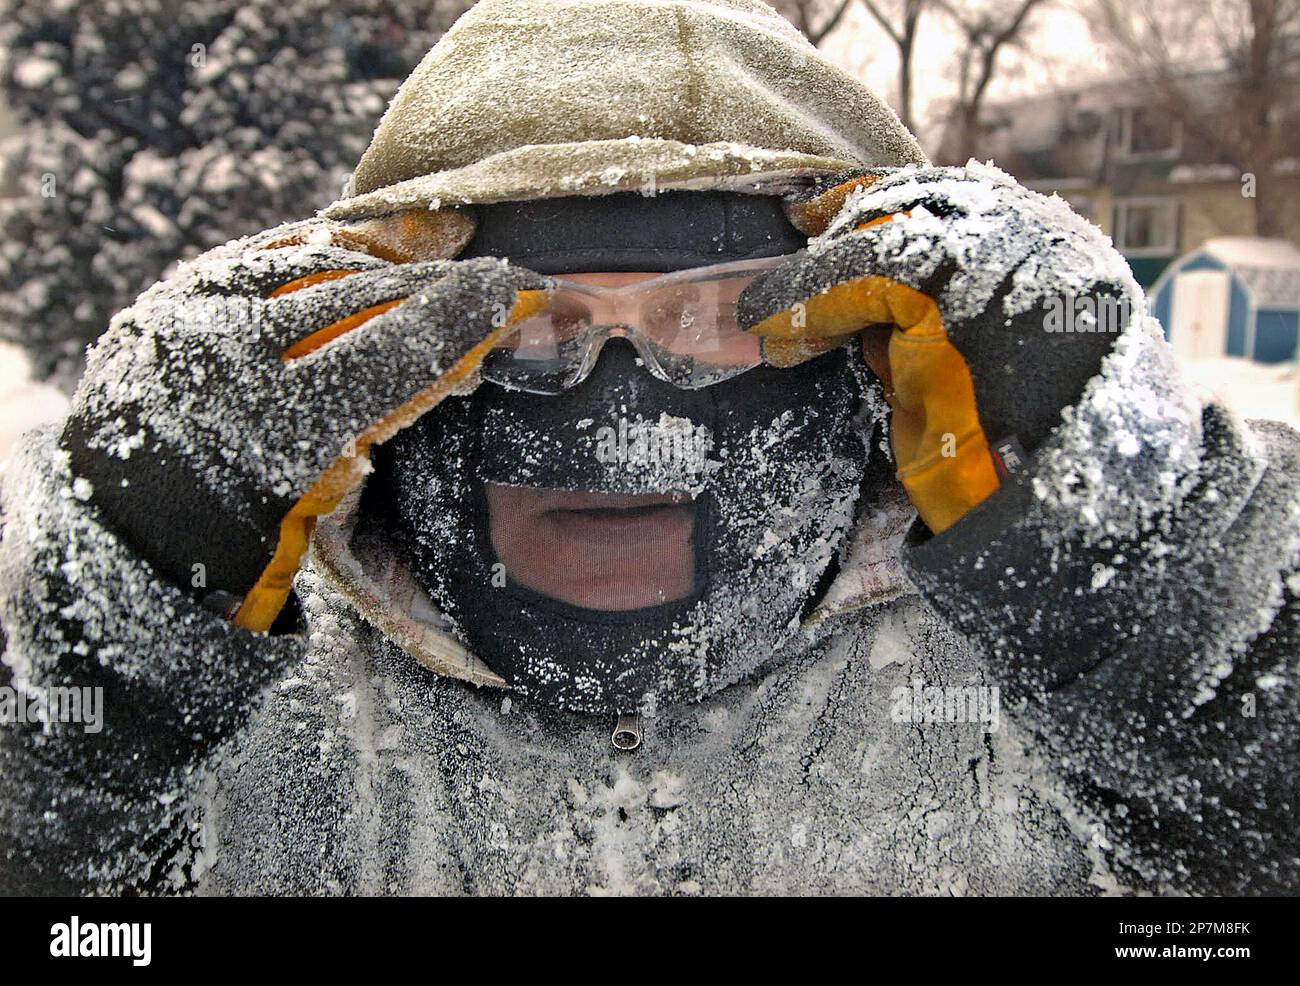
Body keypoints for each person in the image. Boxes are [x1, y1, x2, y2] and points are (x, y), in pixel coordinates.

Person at [1, 0, 1296, 896]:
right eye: (530, 330)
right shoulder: (230, 702)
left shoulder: (1057, 663)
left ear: (874, 341)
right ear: (385, 359)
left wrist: (1172, 615)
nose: (620, 418)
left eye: (723, 315)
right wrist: (102, 663)